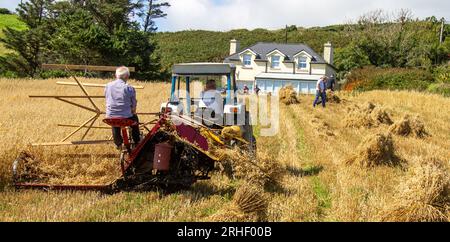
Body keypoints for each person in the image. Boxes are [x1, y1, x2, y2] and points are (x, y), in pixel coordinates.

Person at [105, 66, 140, 149]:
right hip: (126, 117)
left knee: (115, 123)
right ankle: (136, 141)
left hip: (110, 116)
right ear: (127, 76)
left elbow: (107, 98)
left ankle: (118, 144)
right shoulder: (129, 88)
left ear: (116, 75)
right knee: (135, 121)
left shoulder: (108, 86)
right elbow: (134, 104)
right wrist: (133, 111)